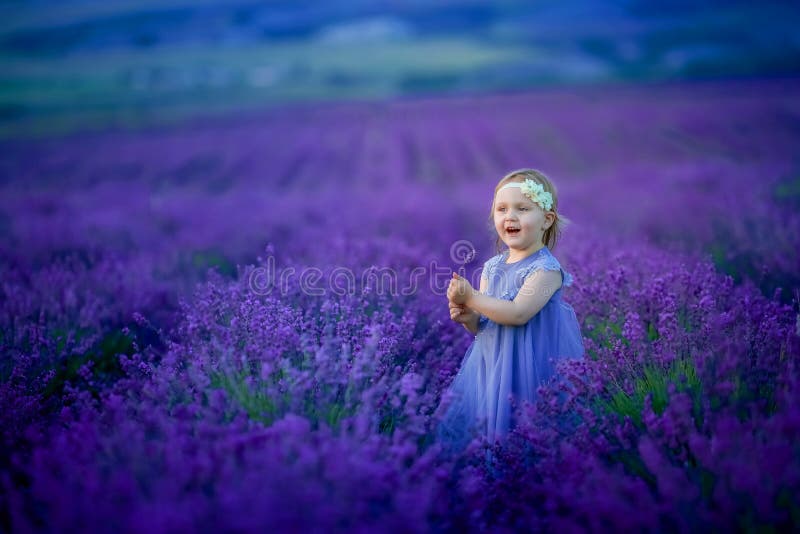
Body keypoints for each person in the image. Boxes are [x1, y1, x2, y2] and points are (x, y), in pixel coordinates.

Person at [436, 168, 585, 454]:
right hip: (493, 368)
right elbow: (486, 327)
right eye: (501, 209)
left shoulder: (546, 270)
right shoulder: (492, 268)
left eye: (522, 209)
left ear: (546, 220)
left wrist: (471, 296)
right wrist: (469, 318)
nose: (510, 216)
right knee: (490, 432)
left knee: (529, 434)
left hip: (531, 371)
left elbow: (517, 313)